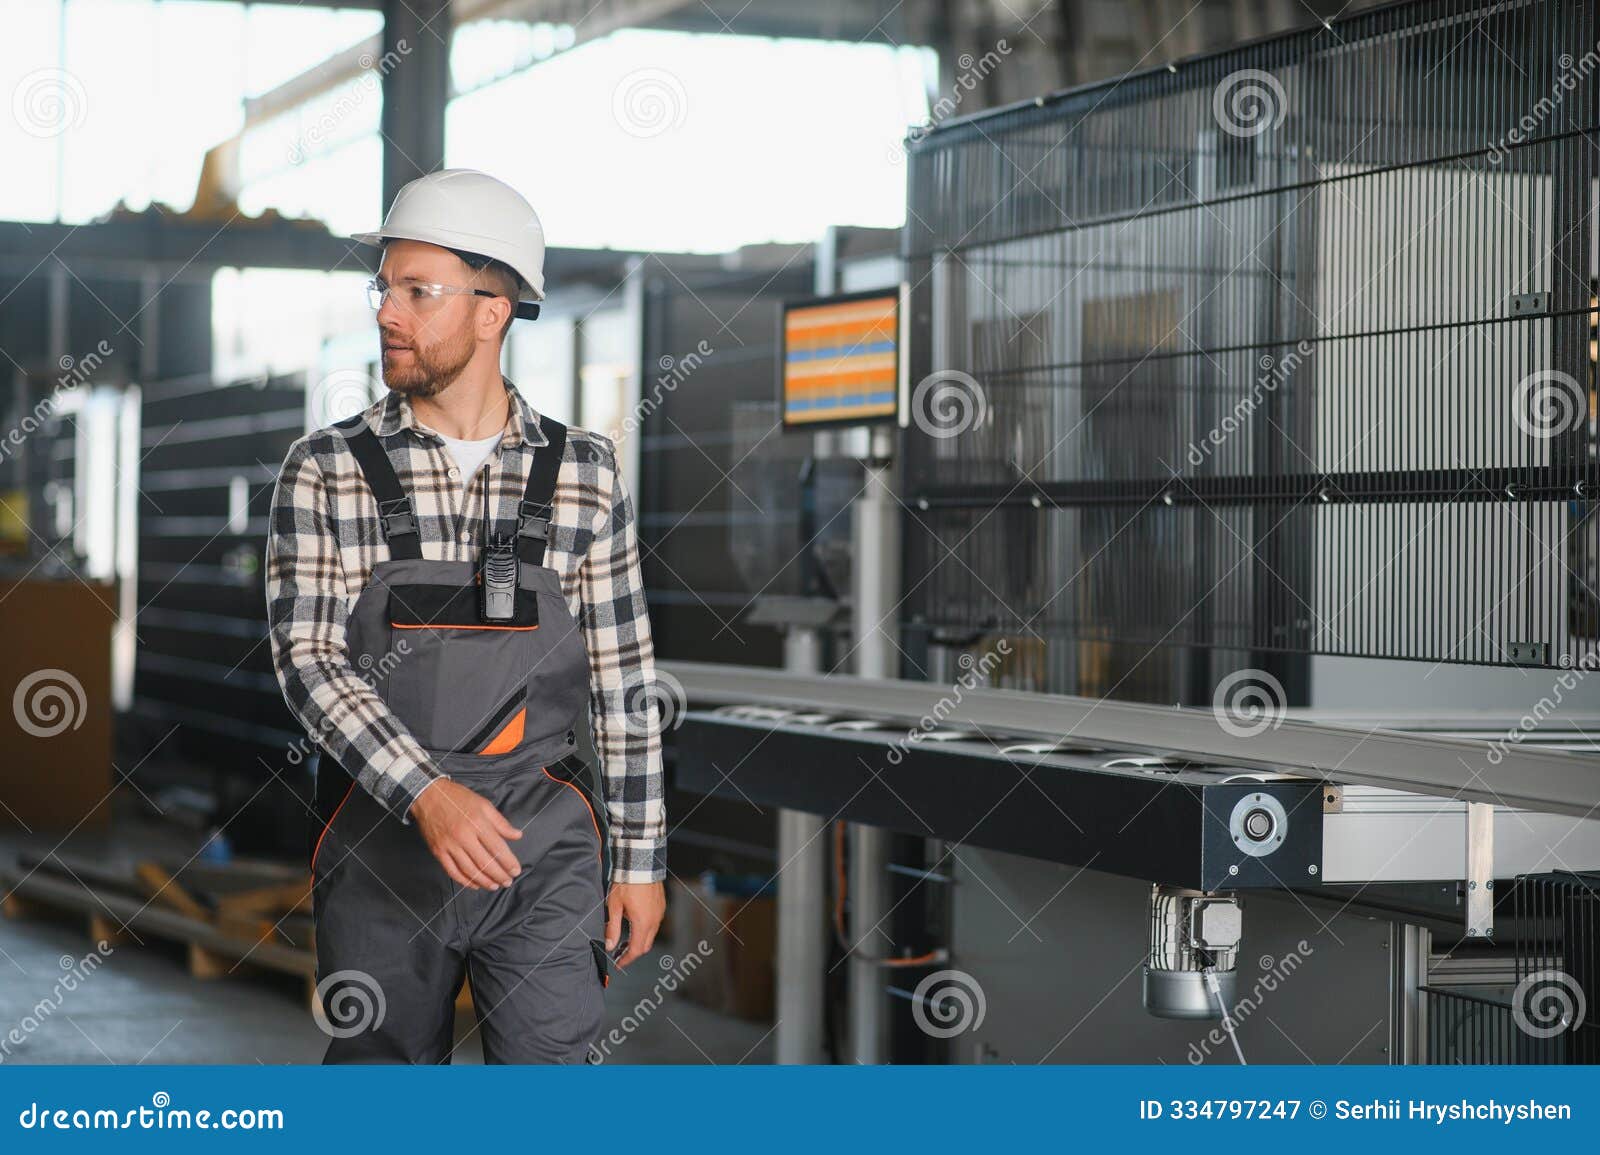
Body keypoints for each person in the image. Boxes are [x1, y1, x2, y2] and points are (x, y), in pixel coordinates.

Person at [265, 168, 666, 1063]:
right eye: (385, 288)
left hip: (544, 845)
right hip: (383, 843)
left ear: (494, 310)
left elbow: (625, 682)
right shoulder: (325, 469)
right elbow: (308, 661)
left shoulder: (584, 473)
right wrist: (428, 794)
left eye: (419, 291)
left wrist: (640, 858)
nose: (387, 313)